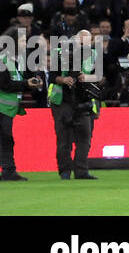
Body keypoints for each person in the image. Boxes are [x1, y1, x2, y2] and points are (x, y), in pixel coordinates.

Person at [49, 28, 103, 180]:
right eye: (81, 41)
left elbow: (99, 77)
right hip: (62, 101)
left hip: (83, 100)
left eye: (87, 41)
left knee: (85, 137)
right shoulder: (59, 53)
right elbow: (52, 77)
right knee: (64, 138)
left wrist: (87, 77)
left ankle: (81, 171)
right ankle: (65, 171)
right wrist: (64, 79)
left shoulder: (94, 54)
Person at [0, 28, 43, 181]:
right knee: (6, 139)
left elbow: (18, 80)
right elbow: (5, 85)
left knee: (6, 139)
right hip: (2, 107)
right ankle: (8, 171)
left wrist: (32, 82)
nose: (26, 43)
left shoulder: (18, 60)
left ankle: (8, 171)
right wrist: (26, 84)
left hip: (8, 108)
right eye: (23, 40)